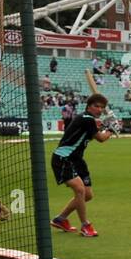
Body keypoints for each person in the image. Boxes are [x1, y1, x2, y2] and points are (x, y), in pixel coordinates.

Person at [50, 92, 115, 237]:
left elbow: (95, 132)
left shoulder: (88, 119)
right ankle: (85, 225)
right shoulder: (86, 119)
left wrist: (106, 125)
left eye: (101, 107)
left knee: (88, 195)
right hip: (63, 158)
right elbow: (101, 138)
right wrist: (110, 129)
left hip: (77, 159)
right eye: (96, 106)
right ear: (89, 106)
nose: (99, 109)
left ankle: (60, 219)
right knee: (80, 190)